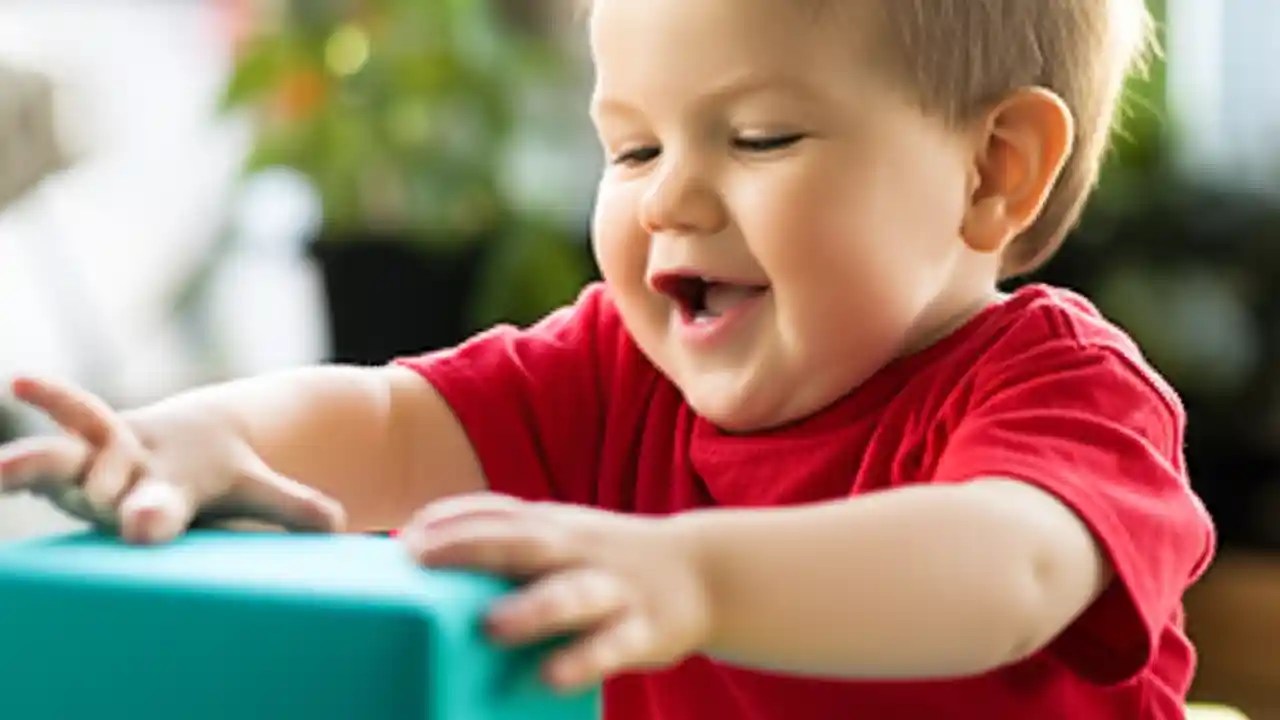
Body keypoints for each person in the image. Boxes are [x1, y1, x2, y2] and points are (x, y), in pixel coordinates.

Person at [0, 1, 1215, 717]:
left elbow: (1001, 573)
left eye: (757, 135)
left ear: (991, 167)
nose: (669, 200)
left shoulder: (1056, 392)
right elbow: (385, 420)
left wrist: (694, 581)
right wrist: (208, 436)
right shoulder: (620, 375)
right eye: (629, 152)